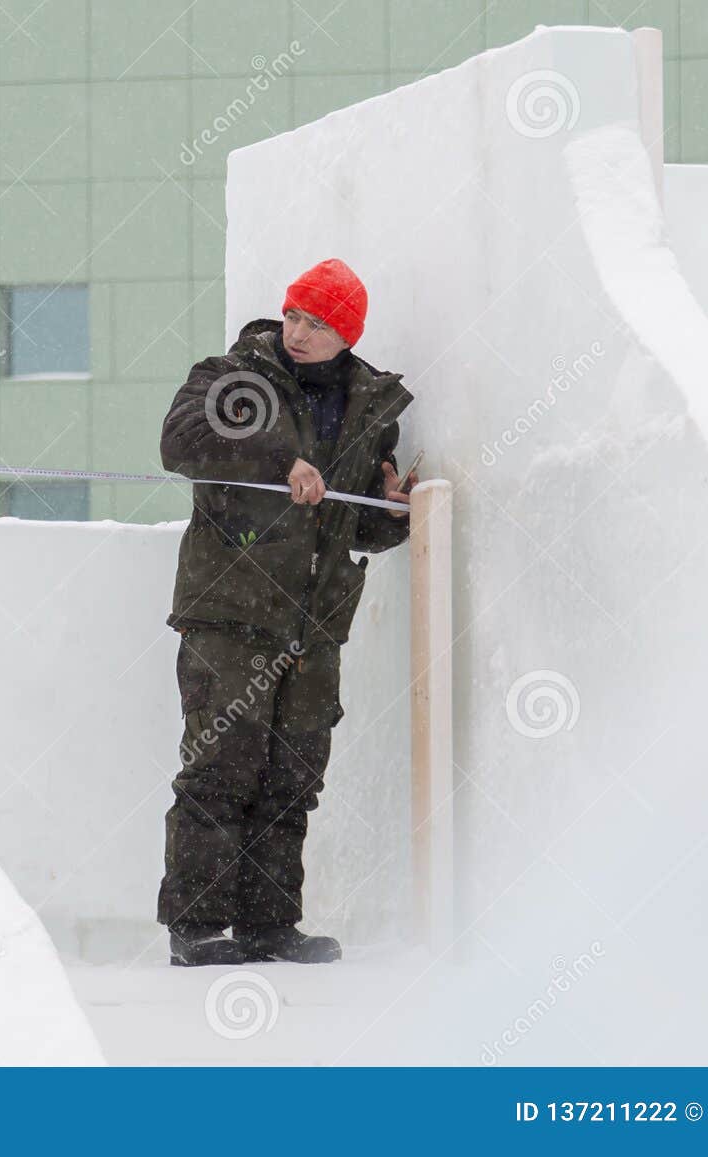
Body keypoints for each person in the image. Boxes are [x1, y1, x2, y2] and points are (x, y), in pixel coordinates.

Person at [156, 258, 418, 966]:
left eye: (319, 324)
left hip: (315, 624)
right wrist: (280, 459)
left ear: (348, 335)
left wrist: (393, 514)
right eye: (294, 315)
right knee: (221, 767)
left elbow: (353, 527)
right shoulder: (235, 376)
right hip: (230, 610)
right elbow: (181, 440)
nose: (298, 333)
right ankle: (197, 928)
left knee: (292, 777)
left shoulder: (369, 407)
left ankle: (269, 925)